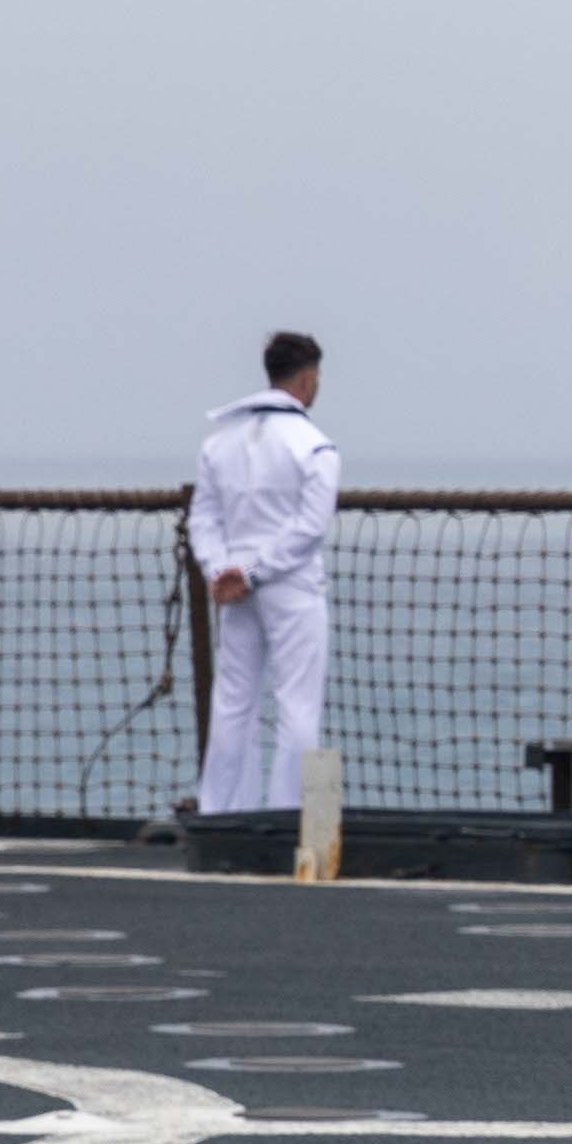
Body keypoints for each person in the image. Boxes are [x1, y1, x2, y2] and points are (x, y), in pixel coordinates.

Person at [191, 332, 343, 817]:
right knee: (298, 703)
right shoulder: (316, 448)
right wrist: (254, 573)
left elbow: (204, 519)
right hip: (290, 585)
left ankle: (219, 812)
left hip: (234, 586)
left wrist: (224, 570)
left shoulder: (218, 444)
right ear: (308, 378)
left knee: (233, 701)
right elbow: (308, 530)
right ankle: (286, 815)